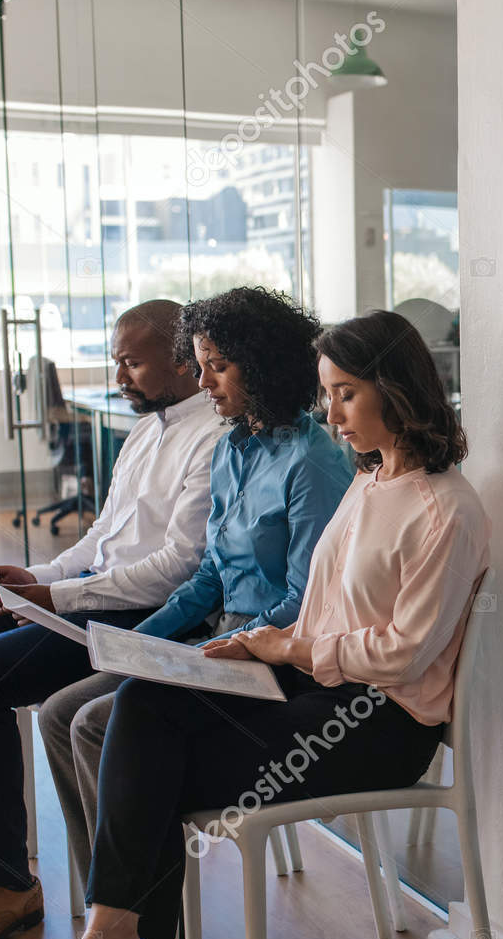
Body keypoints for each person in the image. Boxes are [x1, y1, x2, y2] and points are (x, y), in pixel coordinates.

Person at [5, 309, 487, 939]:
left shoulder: (446, 508)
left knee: (145, 771)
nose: (331, 413)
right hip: (316, 689)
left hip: (378, 725)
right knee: (144, 703)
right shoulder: (370, 478)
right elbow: (322, 603)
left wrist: (287, 648)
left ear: (398, 389)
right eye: (327, 393)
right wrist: (260, 650)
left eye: (347, 394)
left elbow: (404, 655)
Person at [0, 300, 228, 939]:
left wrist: (55, 594)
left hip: (142, 617)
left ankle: (3, 885)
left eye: (131, 361)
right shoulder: (146, 428)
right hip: (87, 593)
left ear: (183, 361)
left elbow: (178, 570)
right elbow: (101, 534)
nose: (118, 374)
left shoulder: (212, 437)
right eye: (116, 358)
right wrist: (36, 575)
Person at [37, 288, 354, 903]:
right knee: (58, 716)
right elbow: (208, 573)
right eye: (200, 363)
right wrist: (137, 641)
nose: (203, 381)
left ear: (260, 365)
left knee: (98, 724)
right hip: (219, 637)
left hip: (270, 653)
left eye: (218, 365)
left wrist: (223, 645)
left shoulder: (311, 463)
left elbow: (304, 598)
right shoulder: (234, 446)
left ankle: (142, 928)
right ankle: (108, 909)